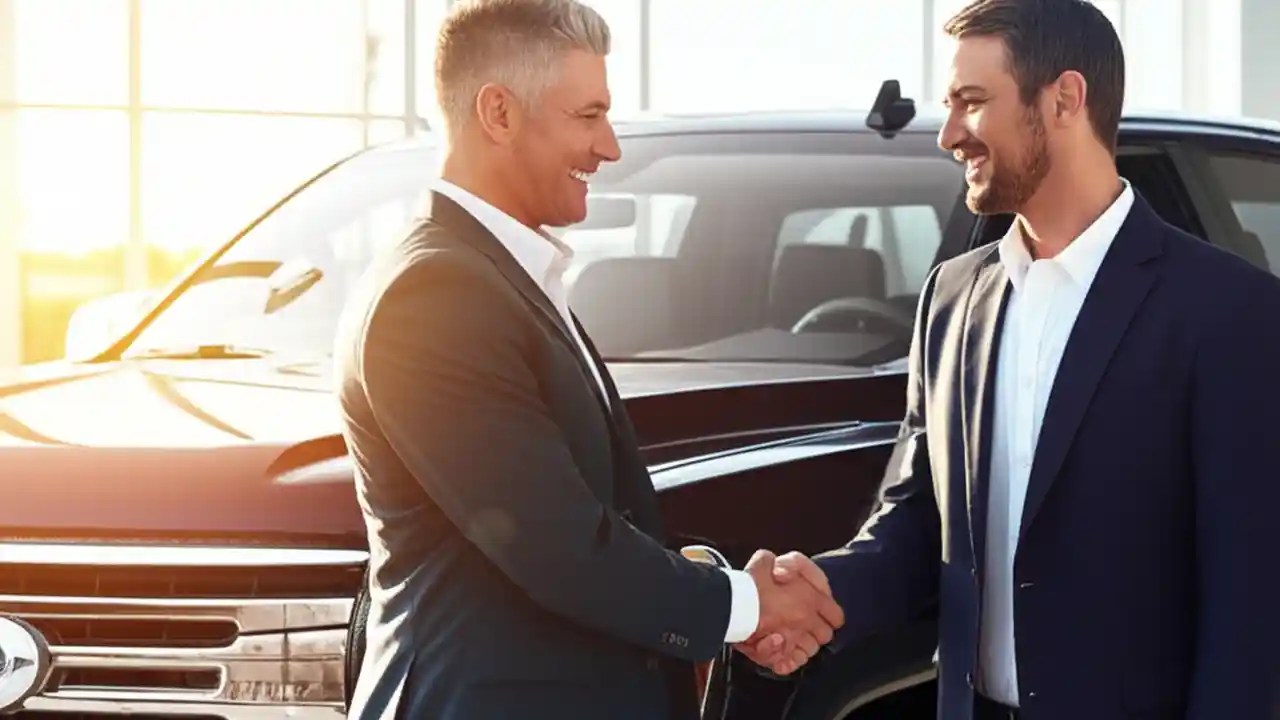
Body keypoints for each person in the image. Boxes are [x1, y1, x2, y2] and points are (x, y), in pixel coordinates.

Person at [741, 0, 1280, 718]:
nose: (948, 135)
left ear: (1064, 99)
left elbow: (1251, 607)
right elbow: (916, 527)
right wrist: (811, 596)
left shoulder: (1232, 312)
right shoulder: (952, 297)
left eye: (971, 101)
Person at [332, 1, 842, 718]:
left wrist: (712, 582)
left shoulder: (499, 277)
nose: (609, 147)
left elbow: (587, 516)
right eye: (588, 115)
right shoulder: (438, 294)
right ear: (499, 113)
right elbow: (556, 545)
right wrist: (746, 607)